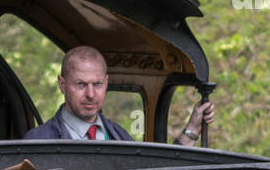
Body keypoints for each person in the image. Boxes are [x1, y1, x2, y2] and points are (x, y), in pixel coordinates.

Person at [23, 45, 214, 146]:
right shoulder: (36, 143)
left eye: (97, 84)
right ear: (62, 85)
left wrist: (191, 130)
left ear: (106, 83)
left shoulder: (121, 138)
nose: (91, 94)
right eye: (81, 84)